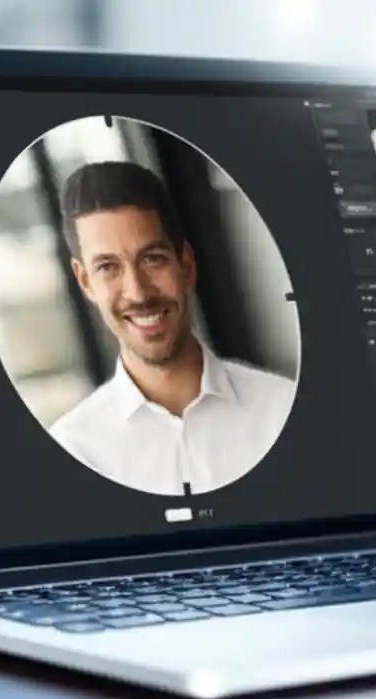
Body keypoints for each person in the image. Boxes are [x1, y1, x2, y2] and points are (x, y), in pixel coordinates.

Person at [49, 161, 295, 496]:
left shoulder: (284, 411)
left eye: (152, 259)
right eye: (108, 267)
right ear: (85, 282)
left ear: (187, 265)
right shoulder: (72, 453)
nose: (138, 293)